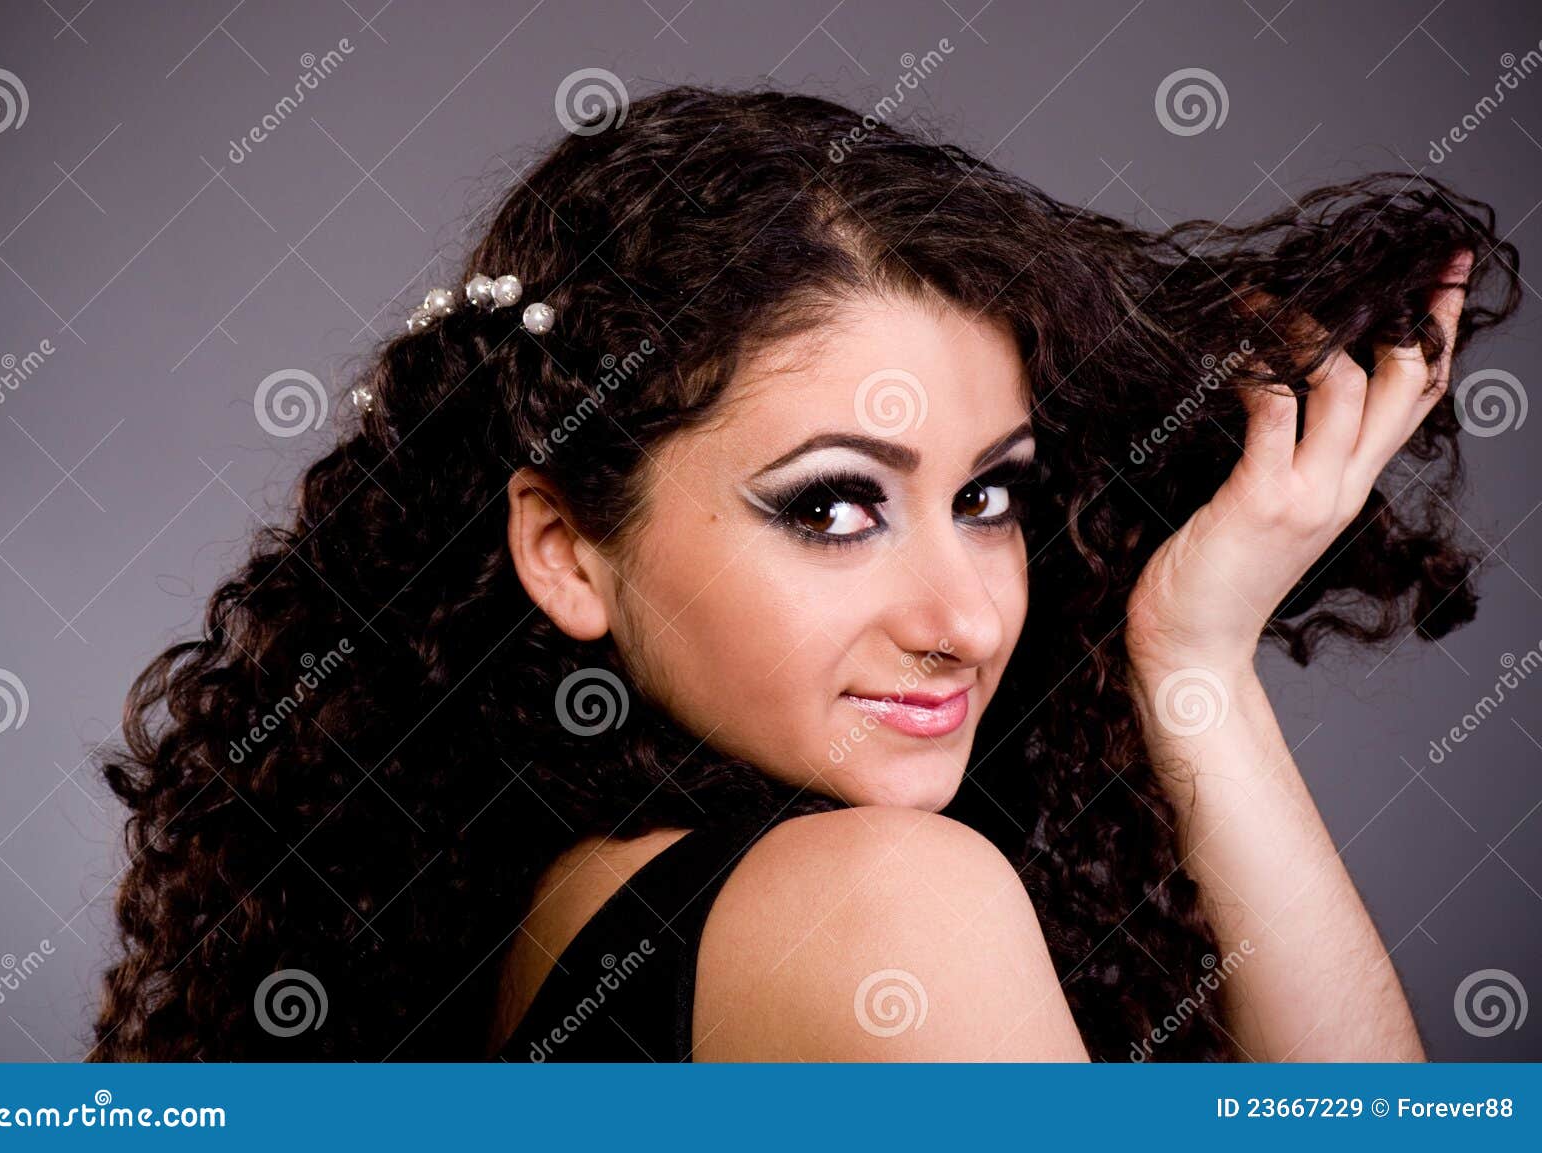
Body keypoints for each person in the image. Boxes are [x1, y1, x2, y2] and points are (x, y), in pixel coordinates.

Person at [89, 84, 1519, 1062]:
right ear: (566, 551)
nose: (962, 616)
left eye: (990, 496)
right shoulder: (877, 901)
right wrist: (1195, 670)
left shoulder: (567, 916)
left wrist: (1189, 650)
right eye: (835, 507)